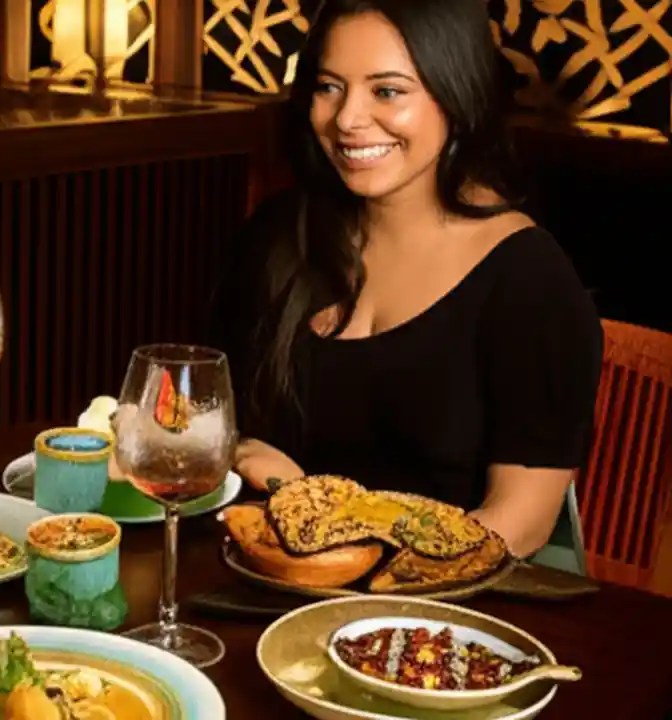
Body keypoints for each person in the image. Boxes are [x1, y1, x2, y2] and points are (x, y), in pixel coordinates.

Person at [209, 0, 602, 559]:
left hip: (440, 616)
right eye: (329, 86)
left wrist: (325, 518)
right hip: (267, 583)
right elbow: (211, 419)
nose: (347, 118)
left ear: (456, 95)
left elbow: (520, 524)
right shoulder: (278, 235)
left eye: (387, 91)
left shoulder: (529, 281)